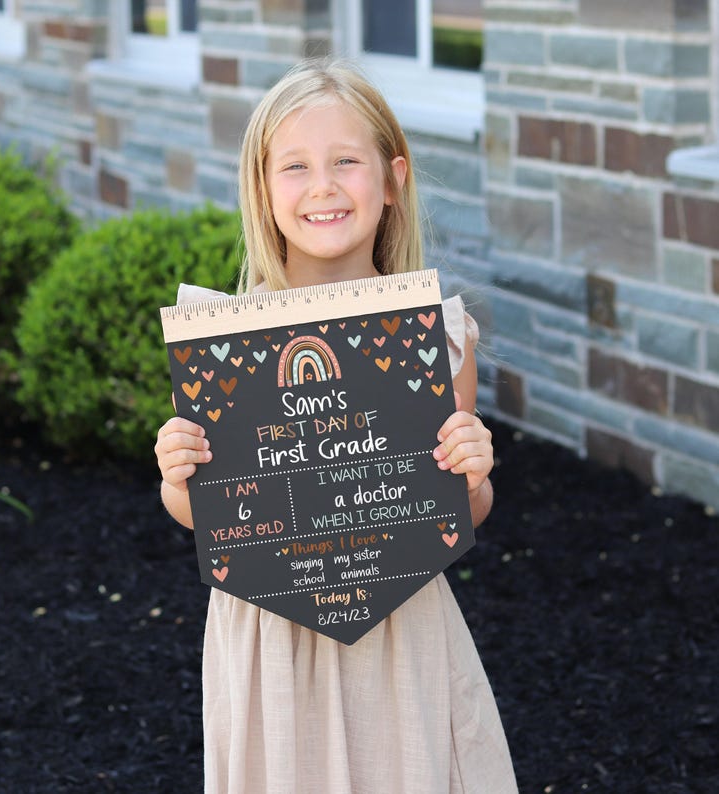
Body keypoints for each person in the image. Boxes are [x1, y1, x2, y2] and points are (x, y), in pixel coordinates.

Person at [154, 58, 517, 794]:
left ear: (391, 181)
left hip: (399, 628)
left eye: (345, 161)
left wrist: (474, 471)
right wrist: (177, 473)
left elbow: (459, 513)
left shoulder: (441, 339)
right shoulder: (226, 345)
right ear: (262, 189)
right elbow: (207, 517)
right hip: (268, 636)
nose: (321, 185)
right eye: (294, 166)